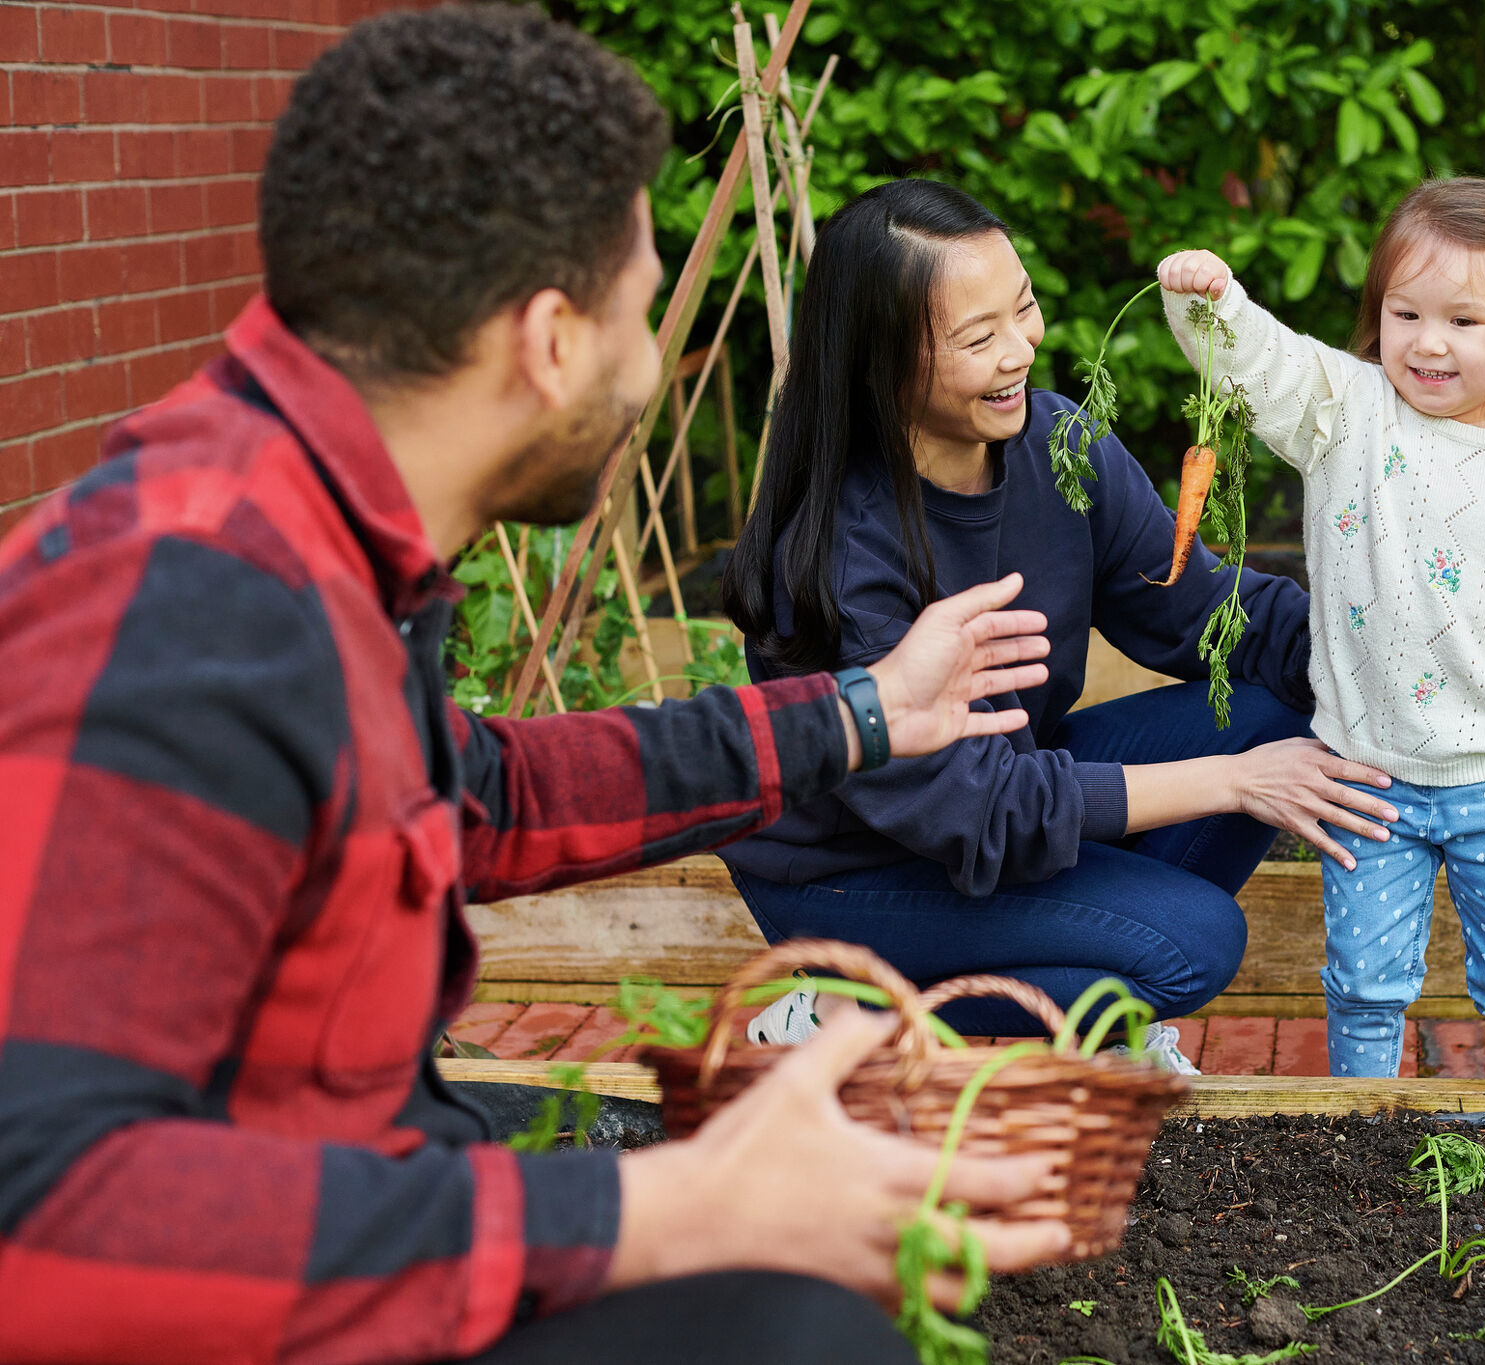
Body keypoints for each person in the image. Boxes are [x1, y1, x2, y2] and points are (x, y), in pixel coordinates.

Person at [0, 8, 1071, 1362]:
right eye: (644, 309)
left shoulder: (309, 536)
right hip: (227, 1295)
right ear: (552, 341)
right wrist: (668, 1205)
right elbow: (38, 1218)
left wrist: (866, 711)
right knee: (810, 1333)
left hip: (355, 1160)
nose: (655, 366)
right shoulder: (178, 608)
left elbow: (477, 796)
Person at [719, 181, 1404, 1061]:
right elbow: (976, 807)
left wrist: (1403, 652)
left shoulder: (1057, 447)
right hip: (858, 871)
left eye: (1026, 307)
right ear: (880, 360)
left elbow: (1203, 614)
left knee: (1272, 707)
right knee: (1191, 944)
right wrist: (1235, 783)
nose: (1021, 350)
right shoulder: (842, 554)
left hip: (1004, 792)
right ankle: (850, 1009)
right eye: (979, 337)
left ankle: (1094, 963)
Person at [1154, 172, 1485, 1081]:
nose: (1429, 343)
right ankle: (1358, 1131)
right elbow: (1265, 362)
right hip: (1369, 774)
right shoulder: (1350, 412)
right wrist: (1211, 298)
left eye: (1463, 320)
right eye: (1406, 314)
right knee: (1365, 980)